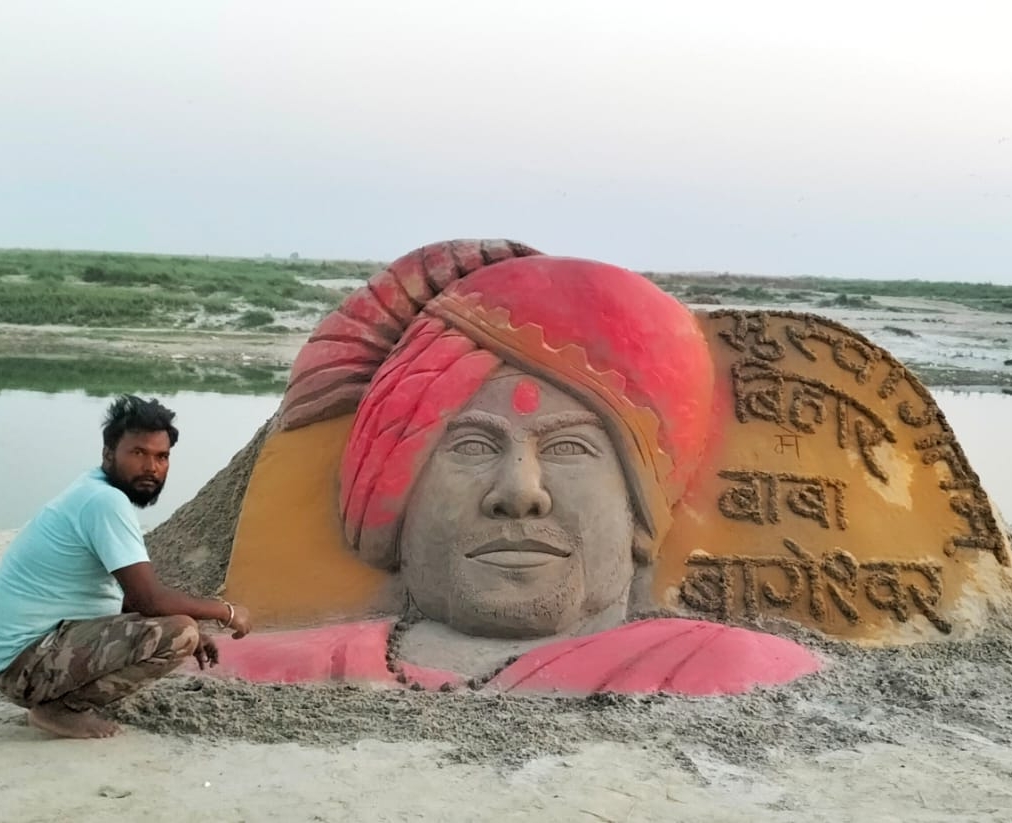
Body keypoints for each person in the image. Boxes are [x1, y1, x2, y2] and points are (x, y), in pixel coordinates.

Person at [214, 243, 820, 695]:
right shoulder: (272, 668)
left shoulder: (722, 668)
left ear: (642, 511)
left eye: (568, 450)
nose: (519, 494)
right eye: (473, 446)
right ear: (392, 501)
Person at [0, 395, 252, 739]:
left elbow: (128, 600)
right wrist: (225, 611)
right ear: (108, 454)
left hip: (30, 654)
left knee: (180, 625)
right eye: (138, 453)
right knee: (180, 633)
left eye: (161, 456)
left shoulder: (94, 492)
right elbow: (149, 599)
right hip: (23, 666)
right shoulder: (105, 501)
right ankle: (58, 708)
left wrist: (184, 620)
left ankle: (58, 699)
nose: (151, 467)